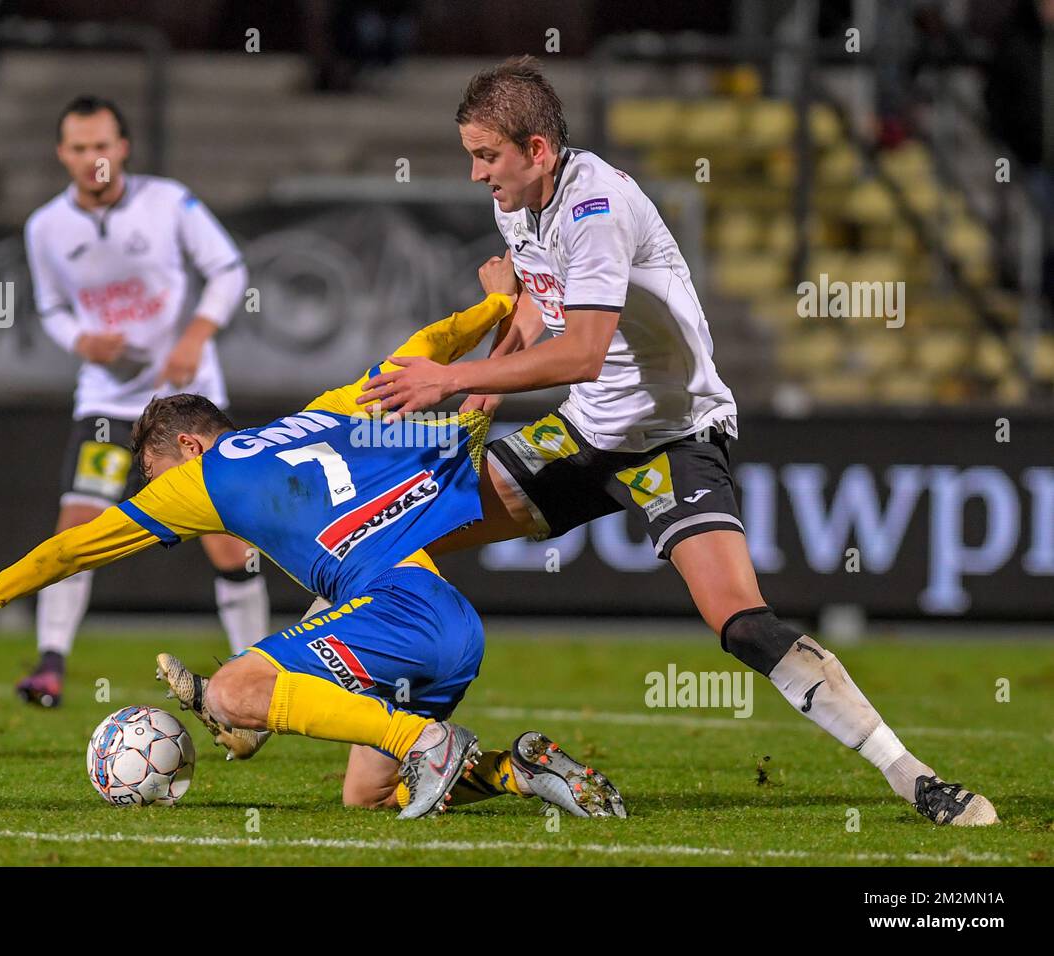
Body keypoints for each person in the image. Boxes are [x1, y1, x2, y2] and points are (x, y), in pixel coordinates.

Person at [358, 56, 997, 827]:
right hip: (586, 432)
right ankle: (387, 736)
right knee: (394, 533)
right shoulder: (517, 204)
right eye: (470, 154)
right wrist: (490, 375)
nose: (473, 174)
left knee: (741, 622)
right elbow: (538, 303)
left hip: (671, 437)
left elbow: (583, 351)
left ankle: (913, 777)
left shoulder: (598, 207)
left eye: (485, 155)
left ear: (537, 151)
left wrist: (449, 381)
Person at [0, 276, 626, 820]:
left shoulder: (202, 478)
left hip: (399, 616)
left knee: (236, 692)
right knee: (366, 796)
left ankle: (423, 741)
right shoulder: (320, 412)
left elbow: (75, 548)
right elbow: (427, 347)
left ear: (189, 445)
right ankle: (521, 770)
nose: (155, 496)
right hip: (442, 623)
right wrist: (496, 305)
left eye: (152, 476)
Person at [16, 95, 267, 708]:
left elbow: (229, 269)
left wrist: (195, 336)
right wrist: (79, 339)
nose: (92, 159)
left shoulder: (169, 202)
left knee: (229, 539)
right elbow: (50, 307)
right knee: (78, 528)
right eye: (79, 148)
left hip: (186, 403)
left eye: (102, 145)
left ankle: (259, 672)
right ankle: (50, 665)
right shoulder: (45, 227)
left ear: (123, 148)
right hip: (107, 404)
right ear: (62, 155)